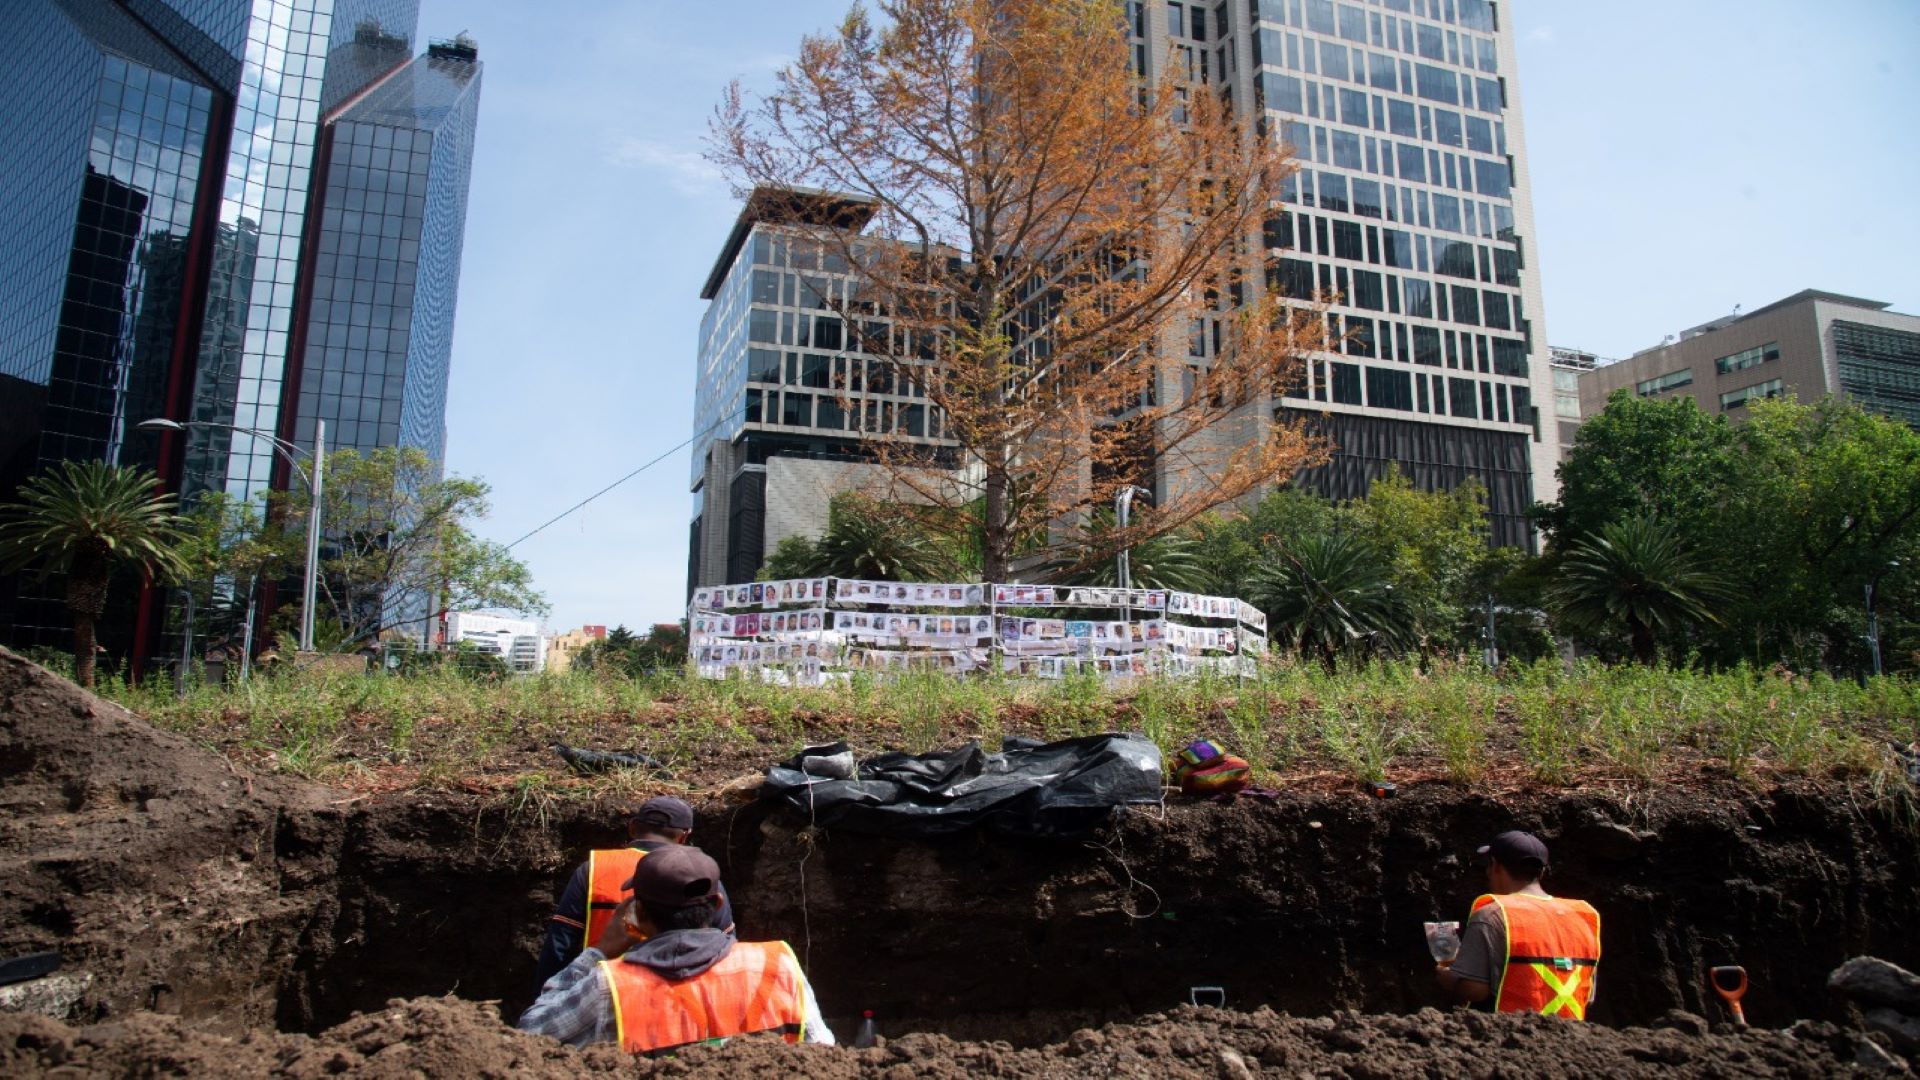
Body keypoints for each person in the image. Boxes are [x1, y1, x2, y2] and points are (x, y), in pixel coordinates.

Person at [519, 845, 834, 1052]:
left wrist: (598, 952)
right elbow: (823, 1052)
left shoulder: (609, 985)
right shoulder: (778, 964)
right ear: (717, 904)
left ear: (637, 912)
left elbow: (529, 1036)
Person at [532, 797, 735, 987]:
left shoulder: (593, 869)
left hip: (603, 989)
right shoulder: (701, 875)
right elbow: (726, 947)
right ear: (683, 837)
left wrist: (548, 996)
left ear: (632, 828)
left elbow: (560, 944)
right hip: (682, 994)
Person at [1436, 831, 1601, 1019]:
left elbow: (1474, 990)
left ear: (1495, 866)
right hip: (1568, 1039)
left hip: (1511, 1039)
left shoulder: (1493, 914)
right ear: (1543, 871)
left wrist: (1448, 978)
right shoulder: (1582, 916)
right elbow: (1588, 995)